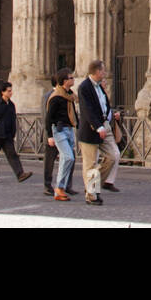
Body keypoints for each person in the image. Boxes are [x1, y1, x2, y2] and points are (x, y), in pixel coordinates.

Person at [77, 59, 121, 206]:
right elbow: (87, 109)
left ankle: (93, 187)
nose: (105, 72)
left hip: (105, 125)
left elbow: (104, 105)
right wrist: (98, 126)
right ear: (97, 72)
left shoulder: (99, 87)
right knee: (90, 164)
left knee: (113, 155)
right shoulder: (84, 87)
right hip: (90, 129)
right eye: (103, 70)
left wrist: (108, 119)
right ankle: (92, 194)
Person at [0, 80, 31, 184]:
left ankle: (20, 174)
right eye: (8, 91)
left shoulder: (11, 105)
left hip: (7, 134)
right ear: (2, 92)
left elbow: (13, 120)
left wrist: (13, 133)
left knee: (12, 155)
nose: (11, 93)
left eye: (11, 91)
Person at [45, 69, 78, 201]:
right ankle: (59, 187)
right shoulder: (56, 96)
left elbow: (73, 113)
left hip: (69, 129)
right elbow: (49, 117)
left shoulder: (69, 95)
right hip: (59, 130)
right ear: (65, 81)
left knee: (68, 158)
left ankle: (61, 189)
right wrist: (50, 135)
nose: (73, 79)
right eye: (71, 78)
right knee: (68, 157)